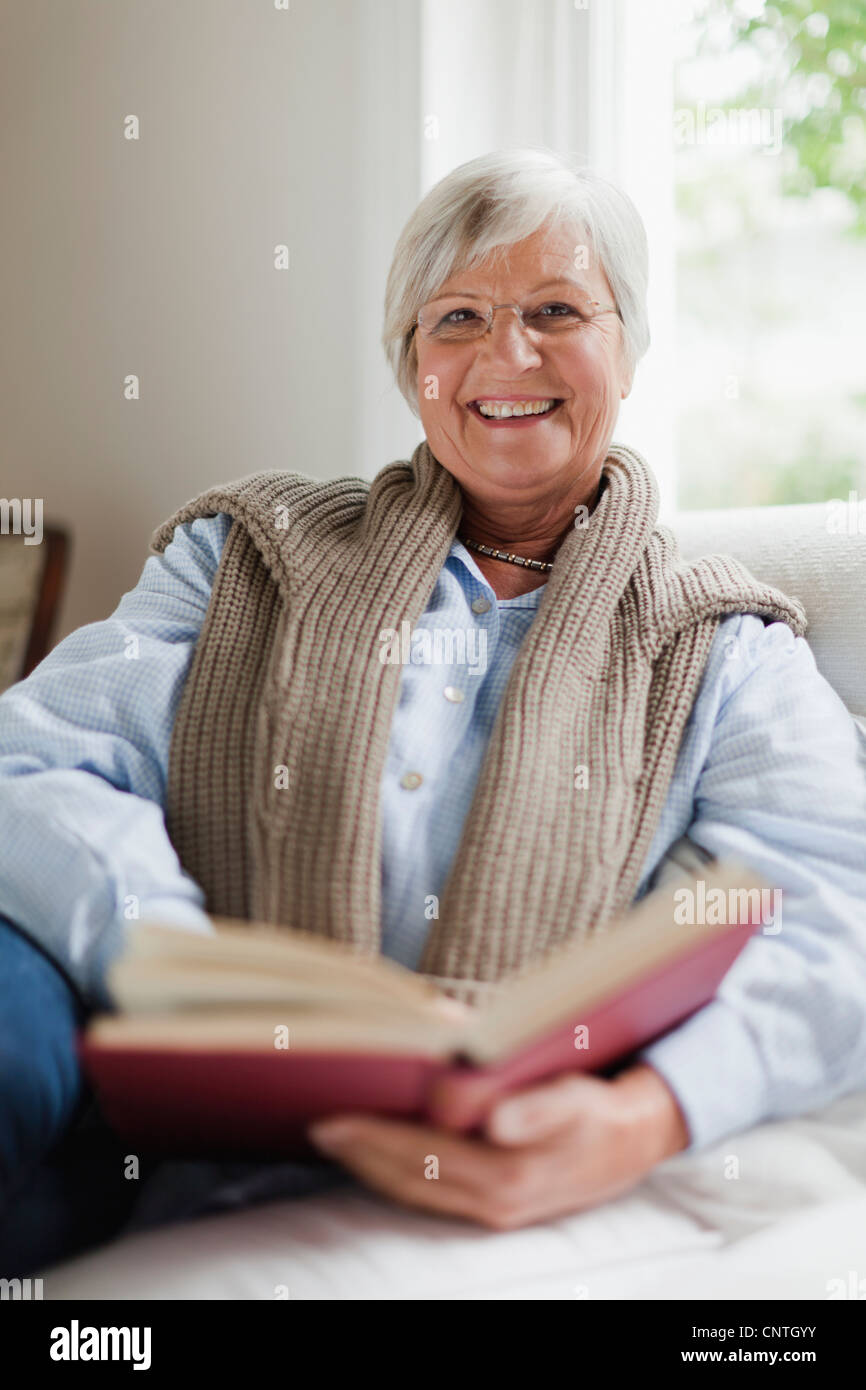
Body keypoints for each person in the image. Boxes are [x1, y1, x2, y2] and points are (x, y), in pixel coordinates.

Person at [2, 147, 865, 1260]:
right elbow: (33, 762)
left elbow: (835, 915)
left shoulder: (725, 646)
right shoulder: (242, 553)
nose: (505, 353)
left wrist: (640, 1116)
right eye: (455, 317)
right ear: (410, 363)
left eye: (555, 308)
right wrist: (166, 961)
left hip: (475, 1125)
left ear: (628, 348)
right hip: (132, 1075)